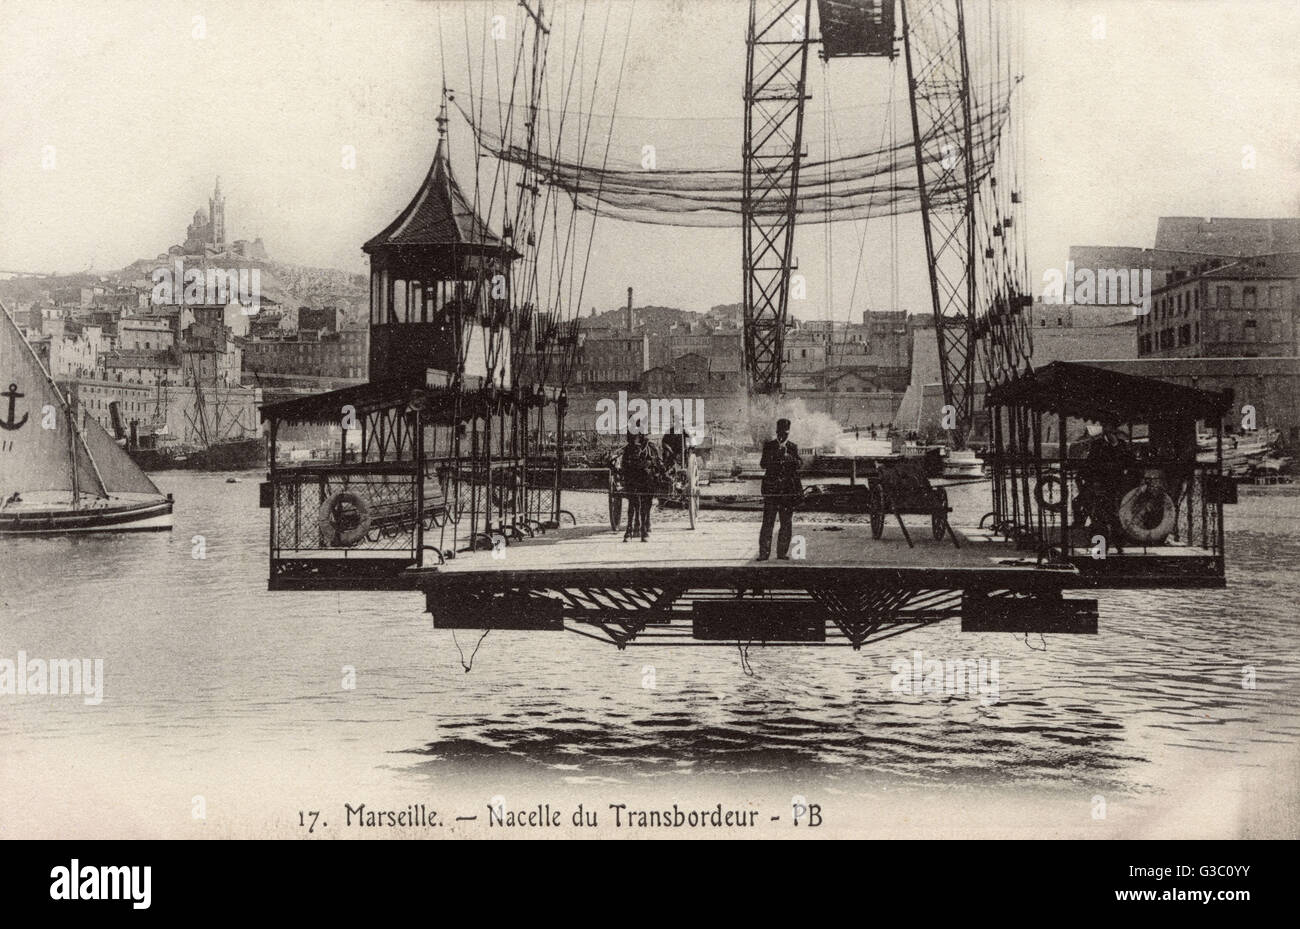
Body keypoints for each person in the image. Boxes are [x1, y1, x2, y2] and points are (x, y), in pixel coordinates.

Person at [758, 418, 801, 560]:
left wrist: (791, 458)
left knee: (786, 524)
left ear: (788, 433)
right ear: (777, 432)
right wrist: (776, 456)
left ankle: (782, 553)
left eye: (786, 433)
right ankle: (764, 553)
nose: (783, 436)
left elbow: (799, 464)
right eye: (781, 433)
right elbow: (763, 464)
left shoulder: (792, 447)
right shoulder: (769, 446)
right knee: (768, 523)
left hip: (787, 492)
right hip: (772, 491)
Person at [618, 424, 665, 542]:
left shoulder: (651, 448)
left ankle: (644, 527)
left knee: (645, 501)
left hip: (647, 477)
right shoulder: (628, 450)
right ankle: (629, 529)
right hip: (631, 475)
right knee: (632, 504)